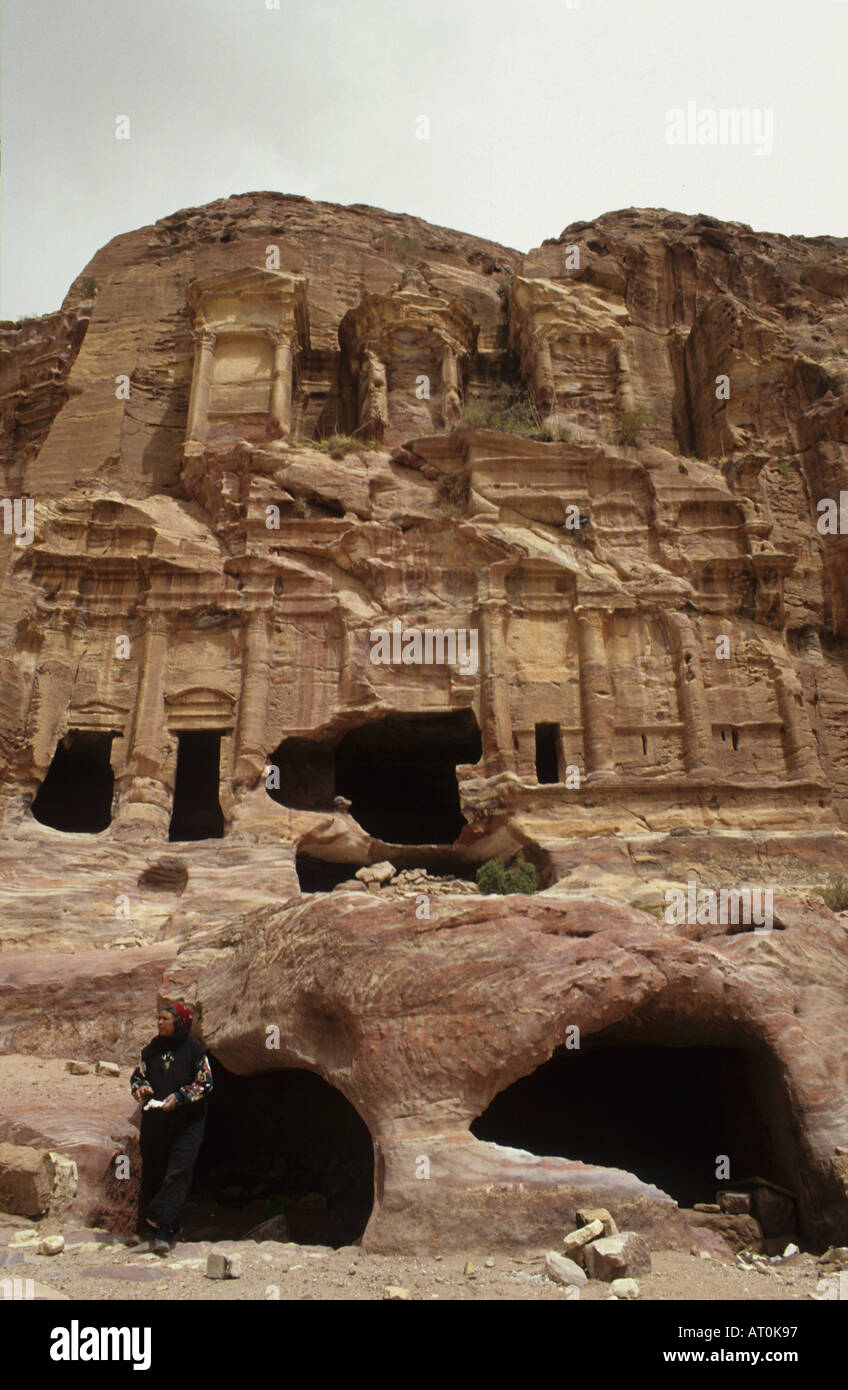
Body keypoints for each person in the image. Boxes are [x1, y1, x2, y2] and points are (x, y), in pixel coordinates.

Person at [130, 1002, 213, 1255]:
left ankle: (161, 1224)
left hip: (187, 1123)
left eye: (165, 1019)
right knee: (155, 1171)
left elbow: (205, 1083)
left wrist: (180, 1096)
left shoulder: (196, 1051)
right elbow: (137, 1076)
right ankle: (166, 1225)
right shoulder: (151, 1050)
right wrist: (141, 1089)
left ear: (179, 1022)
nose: (159, 1023)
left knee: (179, 1171)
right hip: (156, 1123)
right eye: (159, 1018)